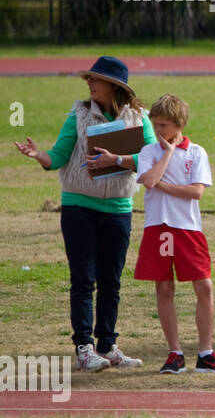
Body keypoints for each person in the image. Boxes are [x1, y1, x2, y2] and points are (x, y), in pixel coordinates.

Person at [13, 55, 153, 372]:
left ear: (114, 86)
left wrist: (117, 160)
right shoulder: (78, 115)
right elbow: (57, 157)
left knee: (111, 281)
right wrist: (39, 155)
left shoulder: (139, 118)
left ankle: (108, 345)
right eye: (88, 79)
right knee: (83, 281)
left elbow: (152, 157)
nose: (89, 84)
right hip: (79, 208)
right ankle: (84, 349)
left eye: (95, 79)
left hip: (119, 208)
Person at [133, 94, 215, 373]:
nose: (159, 130)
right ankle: (175, 352)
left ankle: (206, 352)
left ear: (179, 124)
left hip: (187, 229)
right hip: (159, 228)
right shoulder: (149, 152)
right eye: (156, 124)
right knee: (164, 288)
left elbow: (196, 192)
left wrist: (161, 183)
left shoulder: (197, 152)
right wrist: (167, 153)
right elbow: (149, 180)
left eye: (165, 124)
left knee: (204, 286)